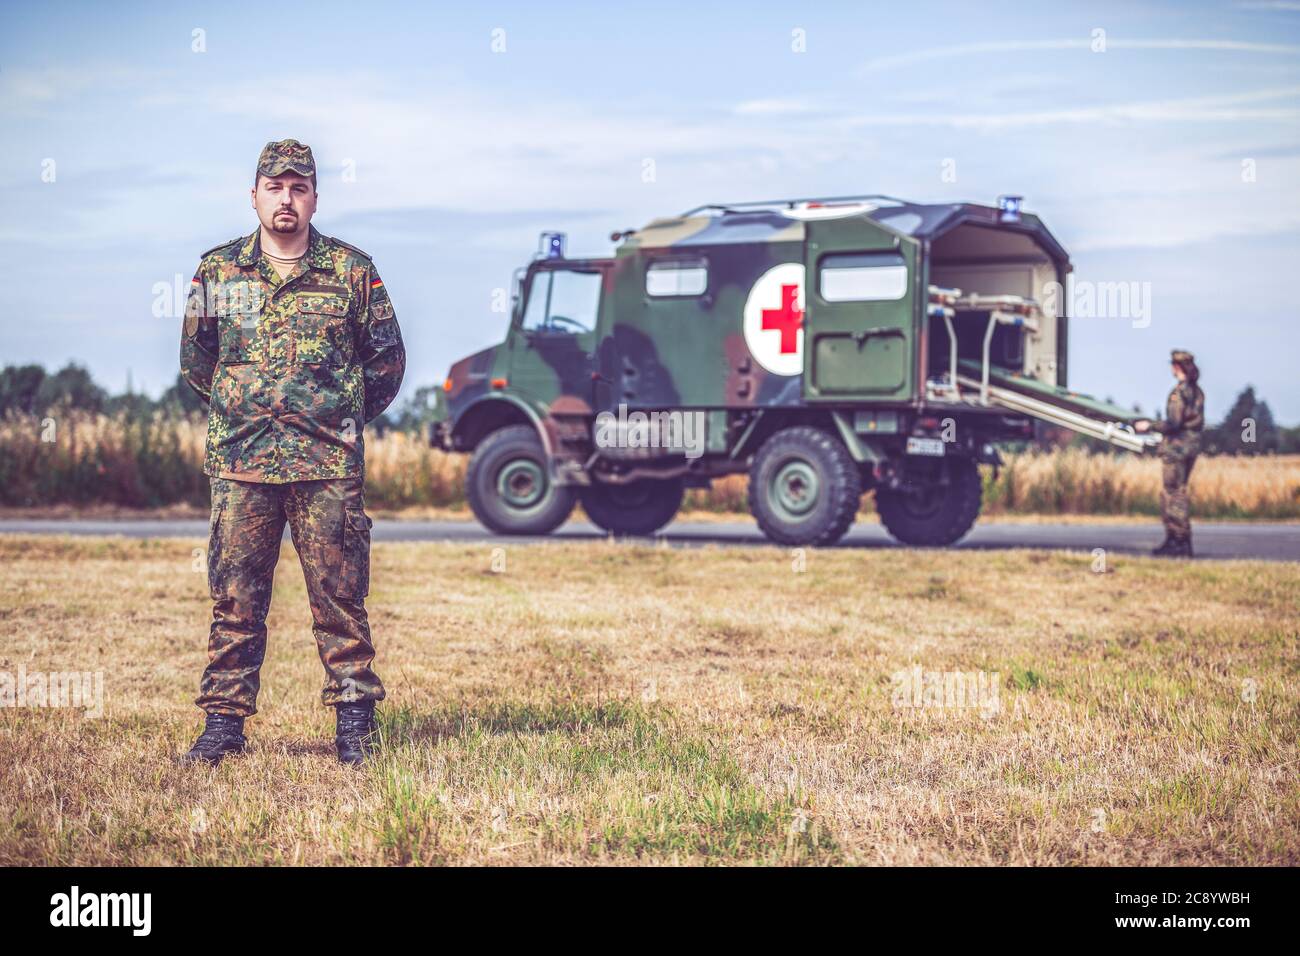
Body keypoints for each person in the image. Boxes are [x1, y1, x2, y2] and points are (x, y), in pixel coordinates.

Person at [178, 139, 406, 765]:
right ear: (253, 196)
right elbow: (197, 361)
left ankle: (355, 724)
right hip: (241, 463)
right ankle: (223, 725)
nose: (287, 198)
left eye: (299, 188)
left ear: (314, 197)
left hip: (327, 464)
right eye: (275, 188)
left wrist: (335, 417)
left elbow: (386, 364)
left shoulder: (353, 272)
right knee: (235, 597)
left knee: (339, 594)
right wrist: (242, 410)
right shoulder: (217, 273)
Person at [1135, 350, 1204, 558]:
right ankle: (1178, 541)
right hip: (1191, 446)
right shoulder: (1197, 391)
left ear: (1176, 367)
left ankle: (1178, 541)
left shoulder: (1179, 392)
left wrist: (1149, 426)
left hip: (1176, 448)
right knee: (1179, 491)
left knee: (1173, 494)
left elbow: (1174, 423)